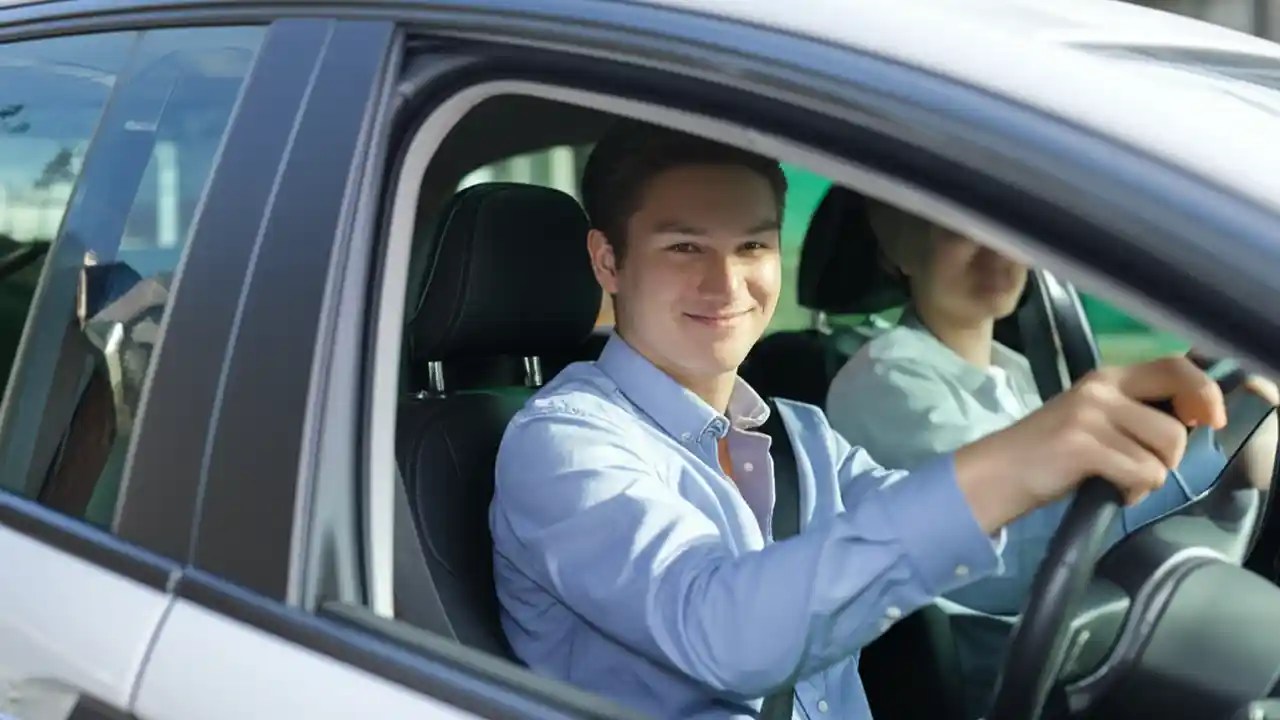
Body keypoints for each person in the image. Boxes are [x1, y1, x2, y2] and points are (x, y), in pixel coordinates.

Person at [488, 120, 1227, 720]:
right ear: (609, 263)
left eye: (752, 245)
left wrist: (1204, 446)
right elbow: (721, 632)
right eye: (685, 247)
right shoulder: (564, 443)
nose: (726, 283)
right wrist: (1013, 460)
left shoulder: (803, 437)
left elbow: (986, 560)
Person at [824, 200, 1274, 717]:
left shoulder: (1011, 371)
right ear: (903, 252)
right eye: (960, 231)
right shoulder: (885, 380)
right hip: (989, 680)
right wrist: (1213, 450)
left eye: (1007, 227)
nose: (995, 251)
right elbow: (1018, 546)